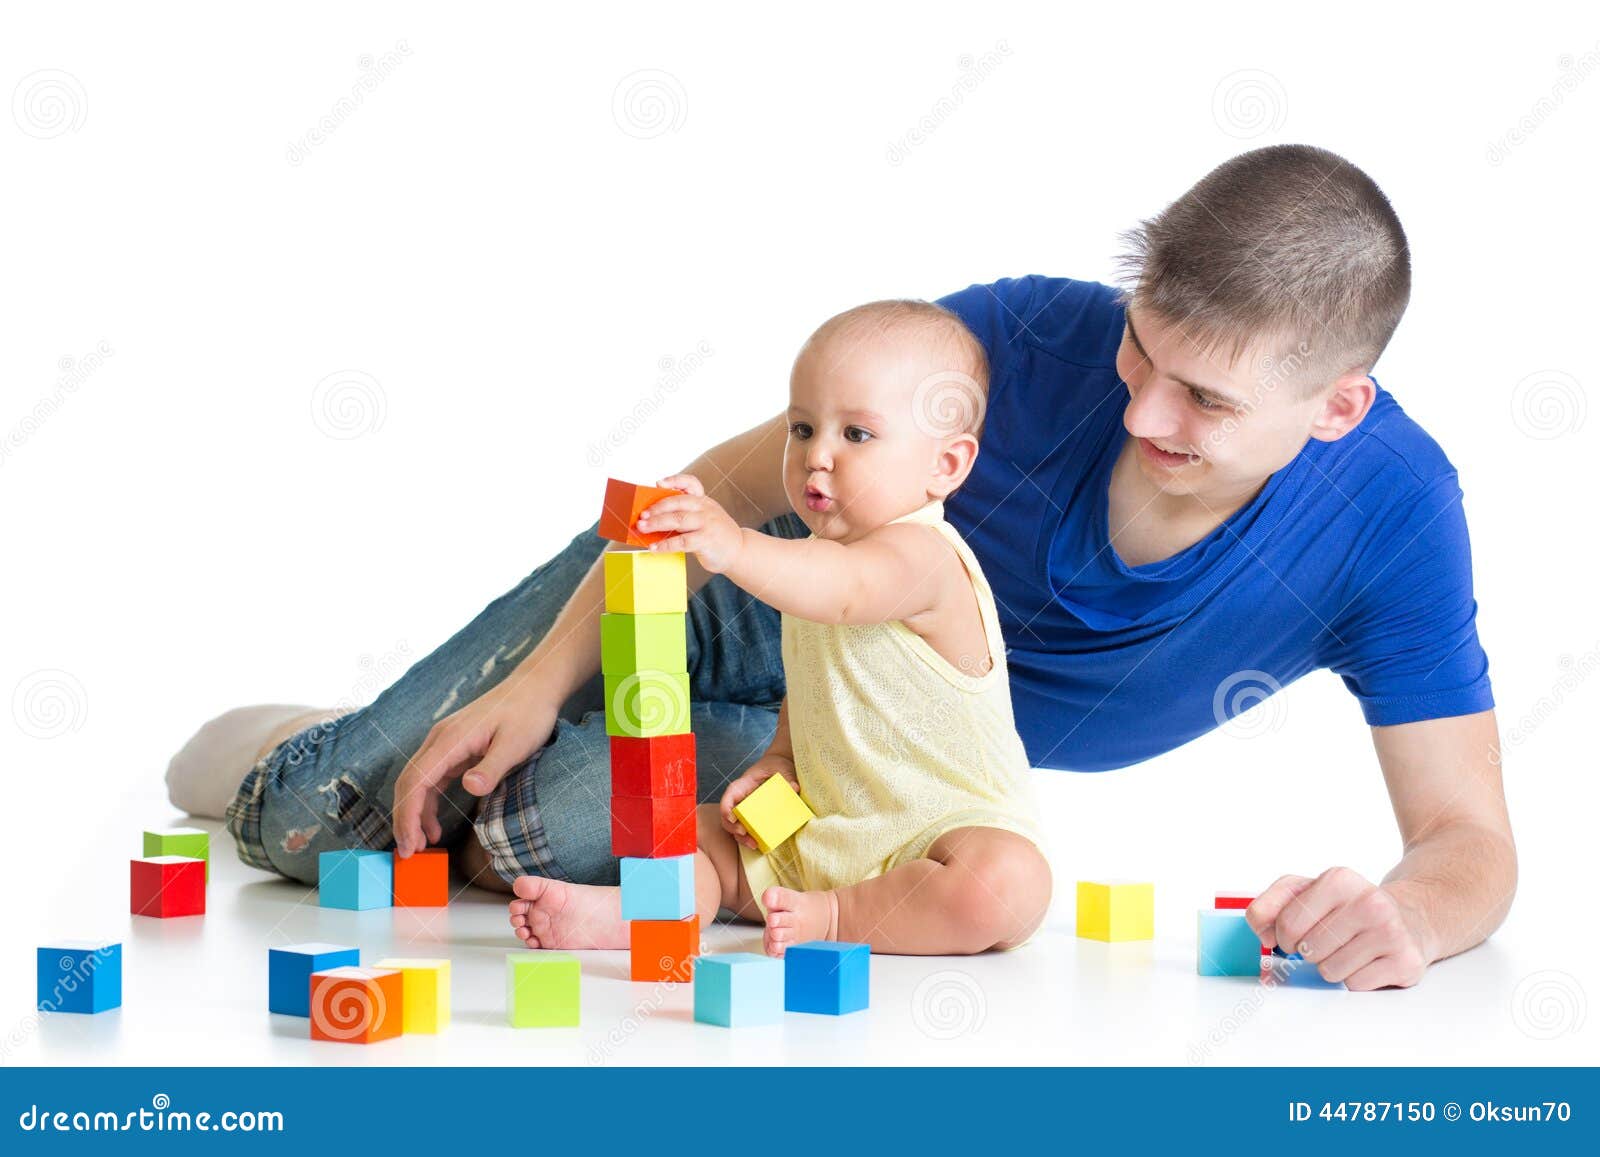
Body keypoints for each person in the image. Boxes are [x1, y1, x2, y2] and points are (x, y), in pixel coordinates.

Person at [169, 144, 1514, 990]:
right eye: (1141, 350)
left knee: (548, 831)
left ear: (1336, 407)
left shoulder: (1395, 517)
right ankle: (316, 744)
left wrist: (1405, 915)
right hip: (750, 607)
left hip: (852, 764)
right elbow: (719, 493)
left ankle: (488, 775)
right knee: (311, 823)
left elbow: (1470, 841)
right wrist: (536, 678)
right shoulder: (1017, 344)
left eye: (1205, 402)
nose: (1143, 409)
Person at [507, 300, 1049, 957]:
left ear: (946, 465)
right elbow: (817, 689)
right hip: (823, 834)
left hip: (938, 836)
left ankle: (839, 917)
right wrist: (779, 761)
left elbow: (846, 589)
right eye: (802, 428)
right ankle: (645, 915)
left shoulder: (923, 557)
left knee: (1006, 880)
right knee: (698, 831)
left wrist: (732, 543)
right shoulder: (812, 567)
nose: (818, 454)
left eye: (857, 434)